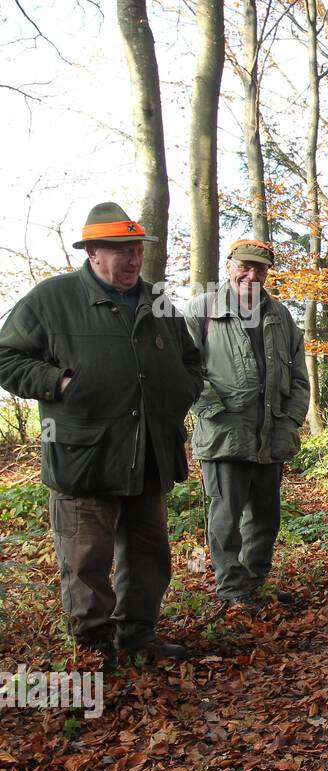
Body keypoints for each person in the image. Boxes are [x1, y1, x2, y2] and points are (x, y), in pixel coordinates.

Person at [0, 201, 203, 661]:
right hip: (84, 455)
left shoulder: (159, 301)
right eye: (120, 250)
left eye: (136, 249)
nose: (133, 259)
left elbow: (192, 360)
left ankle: (137, 638)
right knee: (86, 558)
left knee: (149, 553)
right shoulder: (52, 299)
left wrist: (182, 392)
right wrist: (58, 382)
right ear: (93, 252)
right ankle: (95, 649)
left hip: (150, 450)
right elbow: (6, 357)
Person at [184, 238, 309, 609]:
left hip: (271, 437)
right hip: (225, 438)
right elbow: (183, 371)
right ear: (229, 265)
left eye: (260, 269)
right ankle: (232, 589)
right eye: (245, 266)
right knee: (225, 520)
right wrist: (214, 411)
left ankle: (254, 584)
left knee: (266, 519)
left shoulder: (280, 315)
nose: (251, 275)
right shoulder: (201, 312)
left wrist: (289, 420)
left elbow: (299, 377)